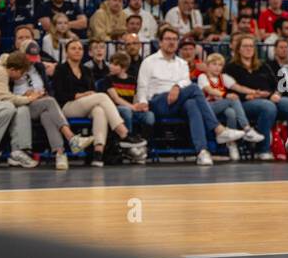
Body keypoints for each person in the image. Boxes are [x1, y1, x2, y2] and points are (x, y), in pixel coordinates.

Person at [50, 38, 146, 166]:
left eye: (79, 48)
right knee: (102, 97)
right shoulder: (61, 69)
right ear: (66, 52)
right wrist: (81, 95)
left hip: (87, 106)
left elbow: (92, 91)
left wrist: (87, 95)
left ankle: (98, 153)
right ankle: (123, 133)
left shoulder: (86, 70)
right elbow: (59, 94)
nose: (77, 51)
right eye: (73, 48)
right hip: (66, 106)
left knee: (100, 111)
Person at [135, 25, 222, 165]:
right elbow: (142, 85)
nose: (171, 42)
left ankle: (202, 151)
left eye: (175, 39)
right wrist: (143, 102)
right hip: (157, 102)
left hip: (178, 102)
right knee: (194, 88)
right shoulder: (149, 61)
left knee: (192, 104)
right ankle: (217, 128)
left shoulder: (182, 63)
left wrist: (176, 87)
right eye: (168, 39)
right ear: (160, 42)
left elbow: (185, 81)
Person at [224, 33, 288, 162]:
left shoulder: (262, 65)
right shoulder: (230, 67)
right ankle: (263, 149)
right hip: (246, 102)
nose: (249, 49)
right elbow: (230, 89)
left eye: (251, 46)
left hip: (269, 98)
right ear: (238, 49)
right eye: (245, 46)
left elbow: (276, 83)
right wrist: (249, 94)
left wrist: (276, 94)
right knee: (268, 107)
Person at [196, 52, 264, 161]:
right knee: (233, 98)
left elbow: (239, 87)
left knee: (231, 113)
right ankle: (246, 129)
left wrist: (255, 92)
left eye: (220, 65)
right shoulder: (202, 77)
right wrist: (225, 95)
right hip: (208, 108)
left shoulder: (223, 77)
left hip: (221, 107)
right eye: (214, 64)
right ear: (208, 66)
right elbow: (209, 90)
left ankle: (231, 143)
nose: (217, 67)